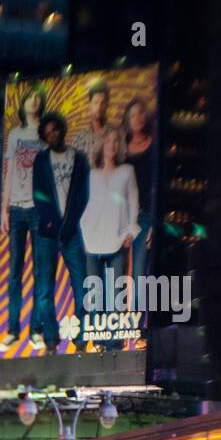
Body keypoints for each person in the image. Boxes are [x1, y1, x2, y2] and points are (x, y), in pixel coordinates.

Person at [31, 111, 90, 352]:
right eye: (47, 133)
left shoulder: (79, 158)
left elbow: (83, 194)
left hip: (72, 232)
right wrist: (48, 221)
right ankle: (51, 340)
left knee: (82, 287)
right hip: (46, 233)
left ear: (62, 130)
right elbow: (38, 194)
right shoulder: (41, 160)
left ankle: (80, 338)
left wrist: (70, 222)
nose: (52, 135)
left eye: (55, 130)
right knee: (44, 289)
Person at [0, 86, 46, 354]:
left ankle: (35, 329)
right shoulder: (16, 134)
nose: (34, 101)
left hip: (38, 209)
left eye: (37, 97)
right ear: (24, 103)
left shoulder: (46, 136)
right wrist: (3, 209)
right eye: (30, 97)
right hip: (16, 208)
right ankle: (12, 330)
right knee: (14, 273)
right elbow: (8, 172)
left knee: (40, 272)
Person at [81, 126, 139, 349]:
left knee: (115, 295)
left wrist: (131, 232)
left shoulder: (127, 171)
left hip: (117, 241)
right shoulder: (92, 175)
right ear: (102, 145)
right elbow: (87, 207)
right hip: (92, 241)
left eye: (116, 141)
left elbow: (134, 201)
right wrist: (84, 236)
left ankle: (115, 344)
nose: (112, 145)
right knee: (95, 296)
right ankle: (98, 343)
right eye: (108, 141)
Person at [122, 98, 157, 288]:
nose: (138, 117)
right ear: (127, 118)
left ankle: (139, 318)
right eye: (133, 114)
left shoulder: (155, 146)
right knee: (114, 275)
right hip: (121, 219)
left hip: (146, 217)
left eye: (141, 112)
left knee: (139, 277)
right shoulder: (119, 148)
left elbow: (156, 183)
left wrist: (155, 221)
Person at [69, 79, 111, 163]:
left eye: (102, 103)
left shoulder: (117, 134)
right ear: (89, 105)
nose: (99, 107)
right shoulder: (79, 138)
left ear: (107, 105)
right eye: (95, 103)